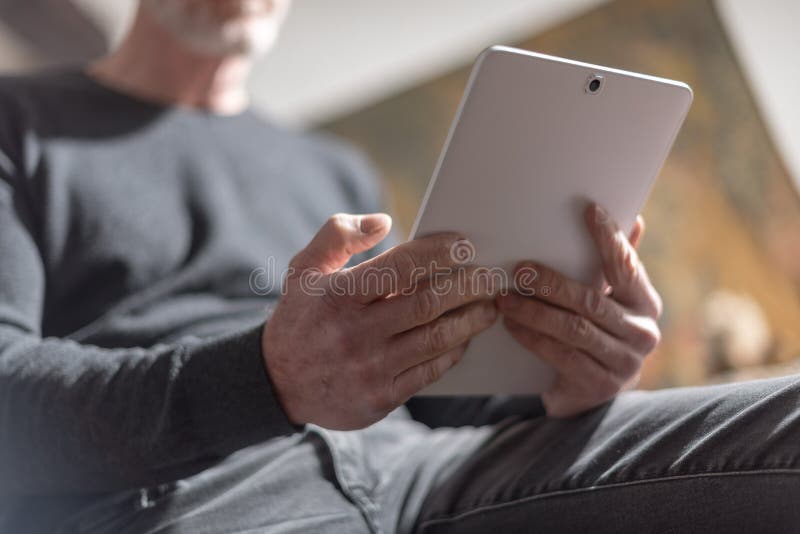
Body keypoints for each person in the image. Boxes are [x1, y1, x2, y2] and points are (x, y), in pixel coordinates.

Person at [0, 1, 797, 532]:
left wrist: (564, 379)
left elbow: (431, 394)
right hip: (202, 496)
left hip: (431, 467)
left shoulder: (331, 167)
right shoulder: (19, 121)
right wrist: (266, 377)